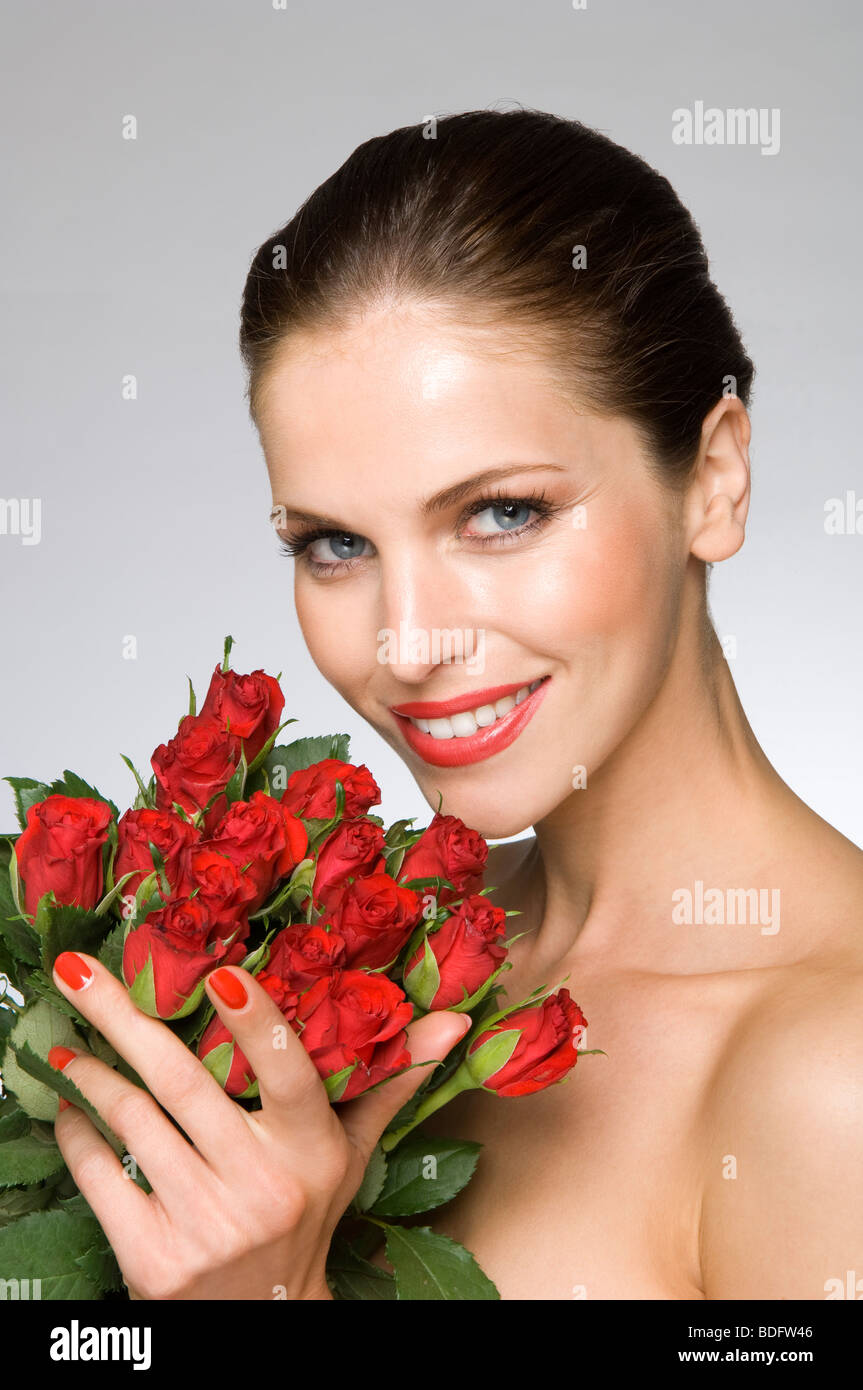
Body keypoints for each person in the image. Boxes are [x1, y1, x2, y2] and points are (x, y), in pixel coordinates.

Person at [50, 108, 863, 1300]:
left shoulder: (828, 1081)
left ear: (714, 480)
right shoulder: (358, 954)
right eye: (333, 542)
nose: (406, 639)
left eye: (501, 513)